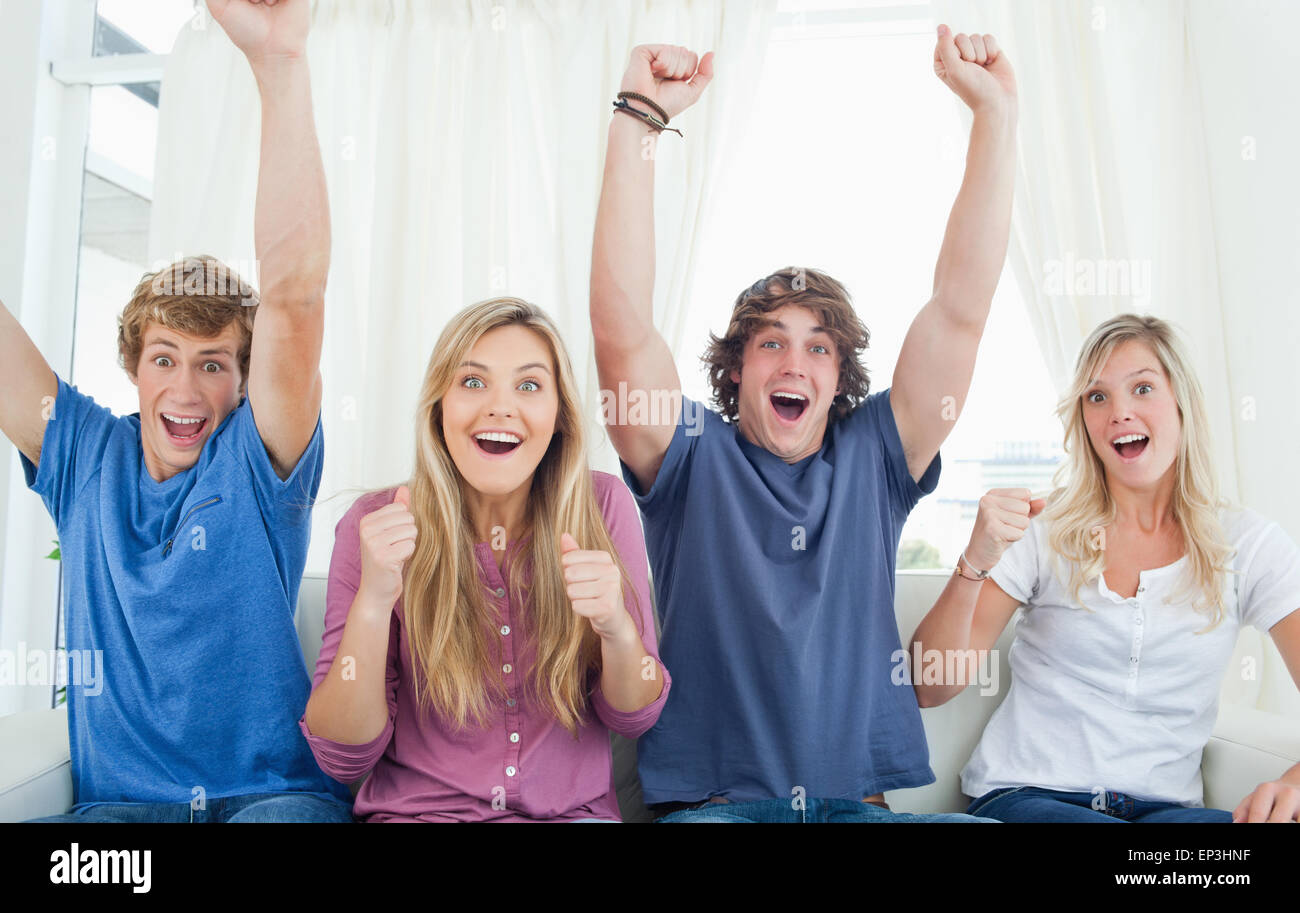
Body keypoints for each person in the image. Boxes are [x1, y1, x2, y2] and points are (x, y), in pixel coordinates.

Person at [588, 27, 1016, 822]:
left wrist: (994, 116)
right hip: (719, 807)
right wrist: (639, 118)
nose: (795, 363)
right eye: (771, 342)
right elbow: (621, 330)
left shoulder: (877, 455)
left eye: (818, 347)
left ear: (839, 377)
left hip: (857, 805)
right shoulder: (687, 457)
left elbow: (961, 310)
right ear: (735, 369)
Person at [5, 0, 351, 822]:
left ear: (245, 379)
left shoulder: (259, 461)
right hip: (121, 810)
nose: (188, 391)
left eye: (213, 364)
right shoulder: (85, 454)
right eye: (165, 360)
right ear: (133, 366)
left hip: (272, 802)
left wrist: (280, 67)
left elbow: (296, 292)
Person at [910, 314, 1300, 823]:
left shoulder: (1249, 545)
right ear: (1084, 422)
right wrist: (974, 563)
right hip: (1031, 798)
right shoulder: (1044, 529)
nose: (1119, 412)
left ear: (1182, 403)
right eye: (1097, 397)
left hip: (1168, 811)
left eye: (1142, 388)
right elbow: (929, 684)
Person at [300, 298, 669, 822]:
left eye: (529, 385)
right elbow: (342, 754)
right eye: (473, 382)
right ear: (439, 407)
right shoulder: (375, 521)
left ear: (559, 414)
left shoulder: (602, 507)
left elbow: (635, 716)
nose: (500, 407)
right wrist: (374, 603)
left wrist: (616, 628)